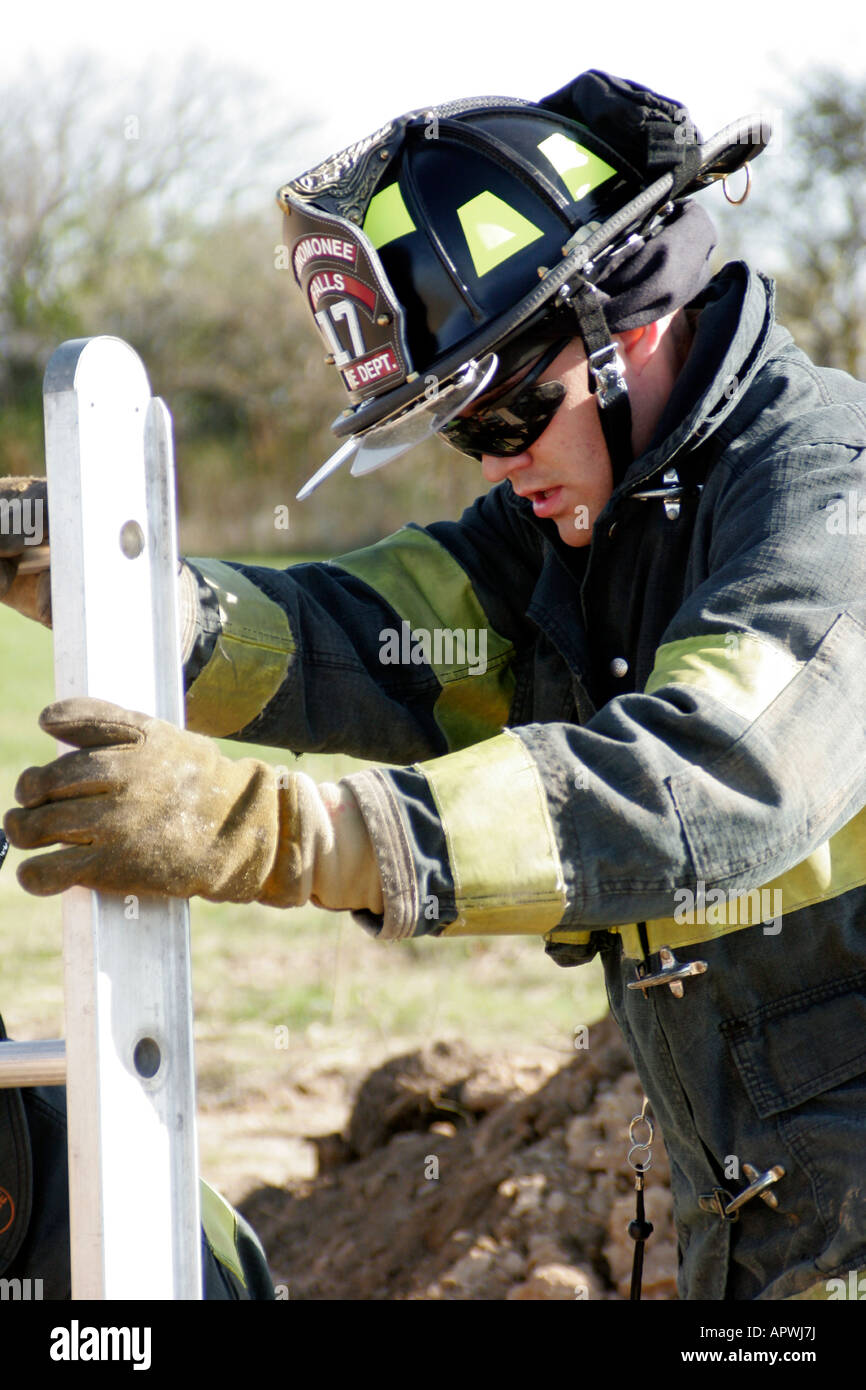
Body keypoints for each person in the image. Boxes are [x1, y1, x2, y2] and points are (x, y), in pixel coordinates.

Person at [3, 70, 866, 1302]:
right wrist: (84, 578)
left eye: (512, 410)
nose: (499, 461)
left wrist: (280, 833)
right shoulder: (589, 529)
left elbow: (710, 776)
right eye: (470, 434)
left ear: (631, 324)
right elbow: (350, 640)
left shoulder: (830, 490)